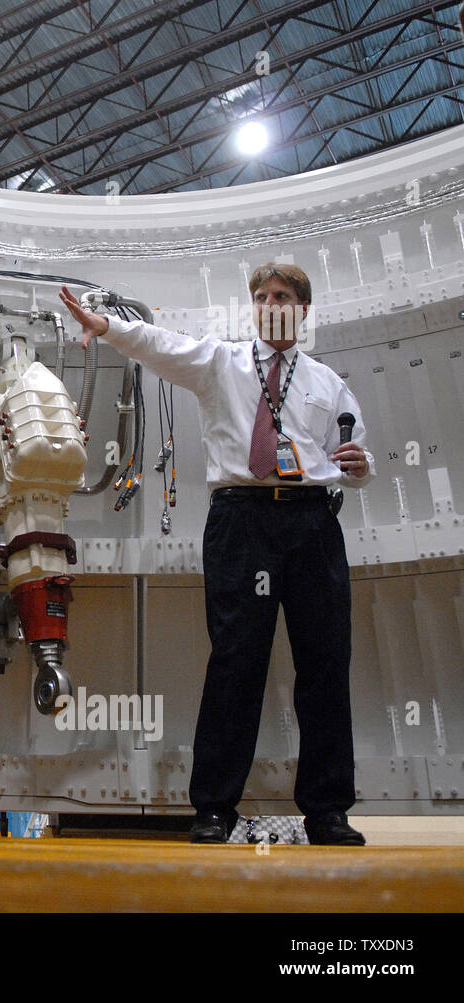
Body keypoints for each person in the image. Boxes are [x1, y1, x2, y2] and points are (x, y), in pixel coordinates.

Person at [59, 264, 374, 845]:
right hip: (242, 520)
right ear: (253, 307)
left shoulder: (329, 385)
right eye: (261, 296)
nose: (269, 303)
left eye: (282, 296)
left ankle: (328, 810)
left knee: (326, 665)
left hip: (311, 522)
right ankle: (213, 810)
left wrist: (362, 469)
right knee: (236, 662)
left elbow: (351, 459)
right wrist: (106, 326)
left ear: (303, 309)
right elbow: (161, 345)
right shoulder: (221, 363)